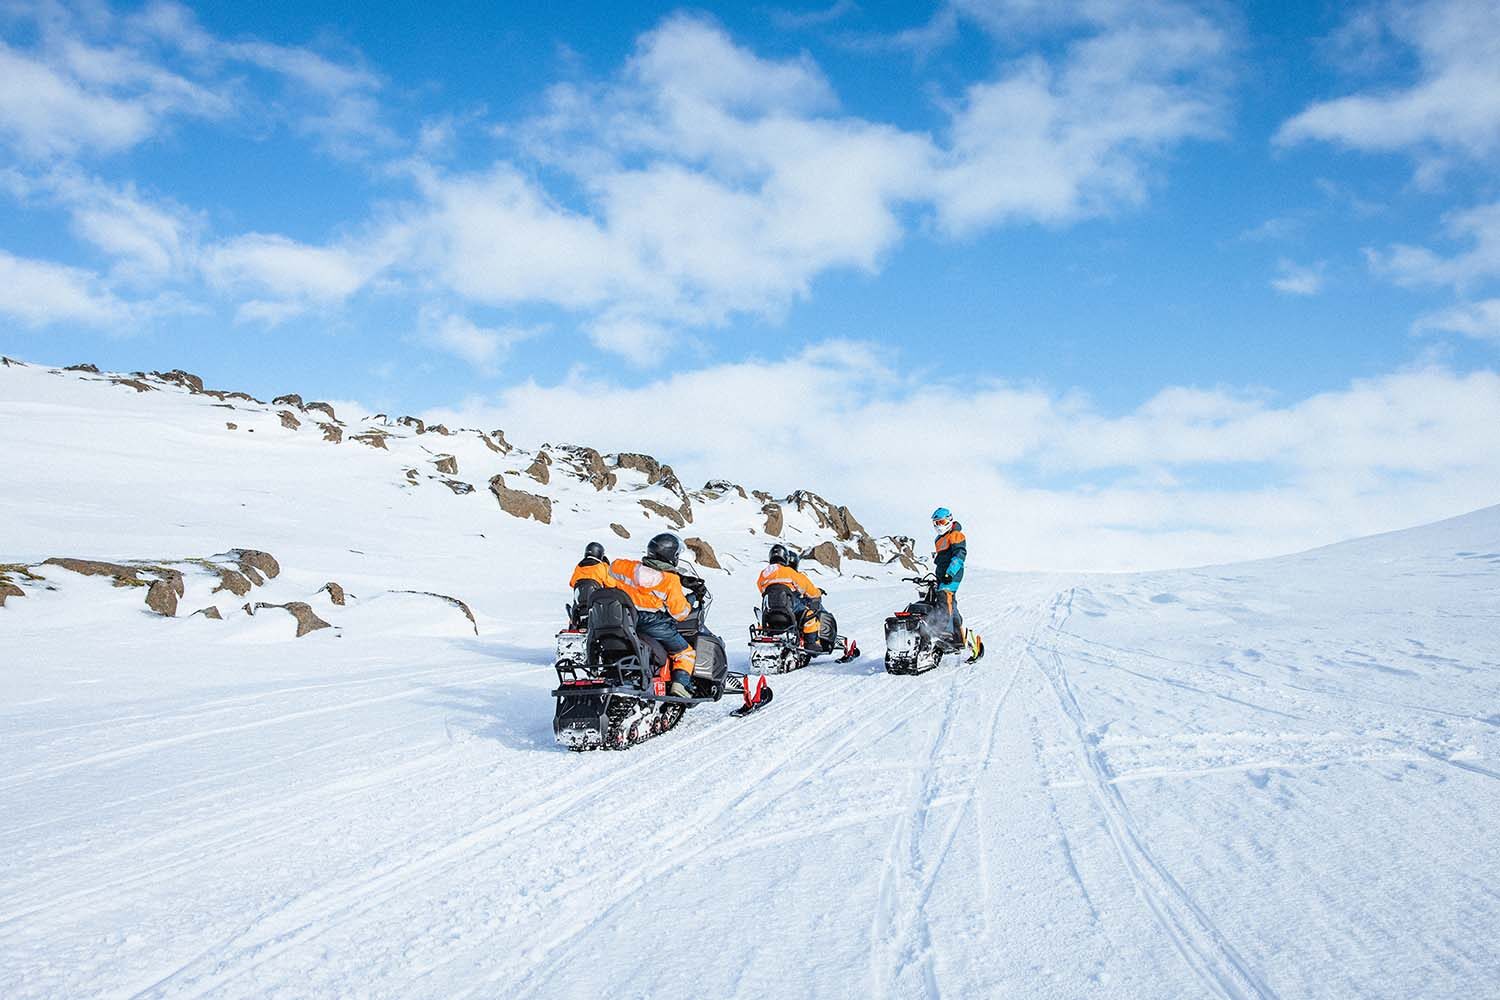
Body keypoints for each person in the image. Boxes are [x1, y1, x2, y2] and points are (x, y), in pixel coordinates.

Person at [606, 532, 699, 698]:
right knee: (685, 653)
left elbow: (612, 568)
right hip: (653, 623)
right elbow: (680, 614)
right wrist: (690, 601)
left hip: (626, 620)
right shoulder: (670, 581)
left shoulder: (627, 568)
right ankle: (680, 685)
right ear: (671, 556)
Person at [931, 507, 982, 661]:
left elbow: (959, 556)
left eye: (942, 521)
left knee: (944, 599)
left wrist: (949, 573)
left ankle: (947, 634)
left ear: (949, 520)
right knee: (946, 602)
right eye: (936, 523)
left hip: (952, 576)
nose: (939, 525)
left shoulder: (956, 535)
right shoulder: (939, 539)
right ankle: (960, 636)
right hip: (942, 576)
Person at [756, 543, 824, 649]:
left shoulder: (763, 573)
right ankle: (810, 643)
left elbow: (761, 589)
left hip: (769, 608)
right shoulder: (789, 571)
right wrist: (816, 593)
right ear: (785, 557)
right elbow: (805, 587)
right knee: (809, 615)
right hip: (788, 606)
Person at [565, 542, 610, 626]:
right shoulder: (602, 566)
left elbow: (572, 583)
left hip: (580, 601)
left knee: (576, 600)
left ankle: (574, 622)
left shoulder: (579, 566)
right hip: (596, 600)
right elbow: (611, 584)